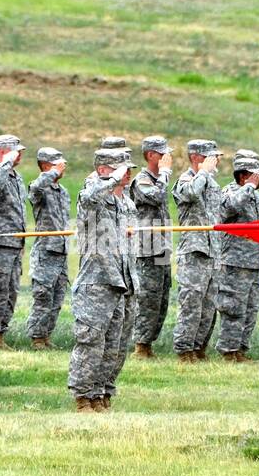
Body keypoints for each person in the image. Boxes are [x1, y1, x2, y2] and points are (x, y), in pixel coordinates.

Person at [68, 149, 136, 411]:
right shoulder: (92, 195)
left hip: (118, 282)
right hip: (95, 282)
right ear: (104, 170)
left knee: (113, 344)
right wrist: (110, 180)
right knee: (91, 341)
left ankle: (100, 393)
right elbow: (90, 196)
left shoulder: (121, 202)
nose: (127, 172)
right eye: (121, 168)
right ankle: (82, 396)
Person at [172, 139, 223, 362]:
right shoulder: (186, 180)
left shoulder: (212, 184)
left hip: (213, 250)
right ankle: (184, 350)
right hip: (194, 250)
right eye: (210, 157)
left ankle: (198, 347)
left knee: (209, 304)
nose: (215, 161)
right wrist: (203, 173)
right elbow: (190, 194)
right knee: (191, 302)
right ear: (195, 158)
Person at [214, 155, 259, 361]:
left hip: (253, 261)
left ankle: (241, 349)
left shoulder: (254, 196)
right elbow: (228, 209)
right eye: (256, 174)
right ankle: (228, 350)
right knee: (233, 307)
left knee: (251, 307)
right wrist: (249, 187)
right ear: (244, 176)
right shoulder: (231, 192)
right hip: (235, 261)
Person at [0, 135, 28, 348]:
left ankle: (1, 335)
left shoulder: (16, 177)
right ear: (3, 152)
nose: (20, 155)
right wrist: (5, 162)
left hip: (15, 244)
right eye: (15, 151)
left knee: (11, 292)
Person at [130, 136, 174, 357]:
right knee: (148, 297)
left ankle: (149, 344)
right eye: (162, 153)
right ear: (150, 155)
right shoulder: (143, 180)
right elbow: (155, 197)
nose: (168, 157)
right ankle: (140, 345)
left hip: (162, 248)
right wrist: (165, 173)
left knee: (162, 297)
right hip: (147, 249)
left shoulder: (158, 179)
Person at [26, 147, 70, 349]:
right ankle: (37, 338)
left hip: (61, 250)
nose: (62, 167)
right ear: (45, 166)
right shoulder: (39, 188)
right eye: (56, 164)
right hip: (45, 251)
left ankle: (46, 337)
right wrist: (52, 173)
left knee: (57, 298)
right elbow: (35, 188)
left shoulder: (63, 192)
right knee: (43, 295)